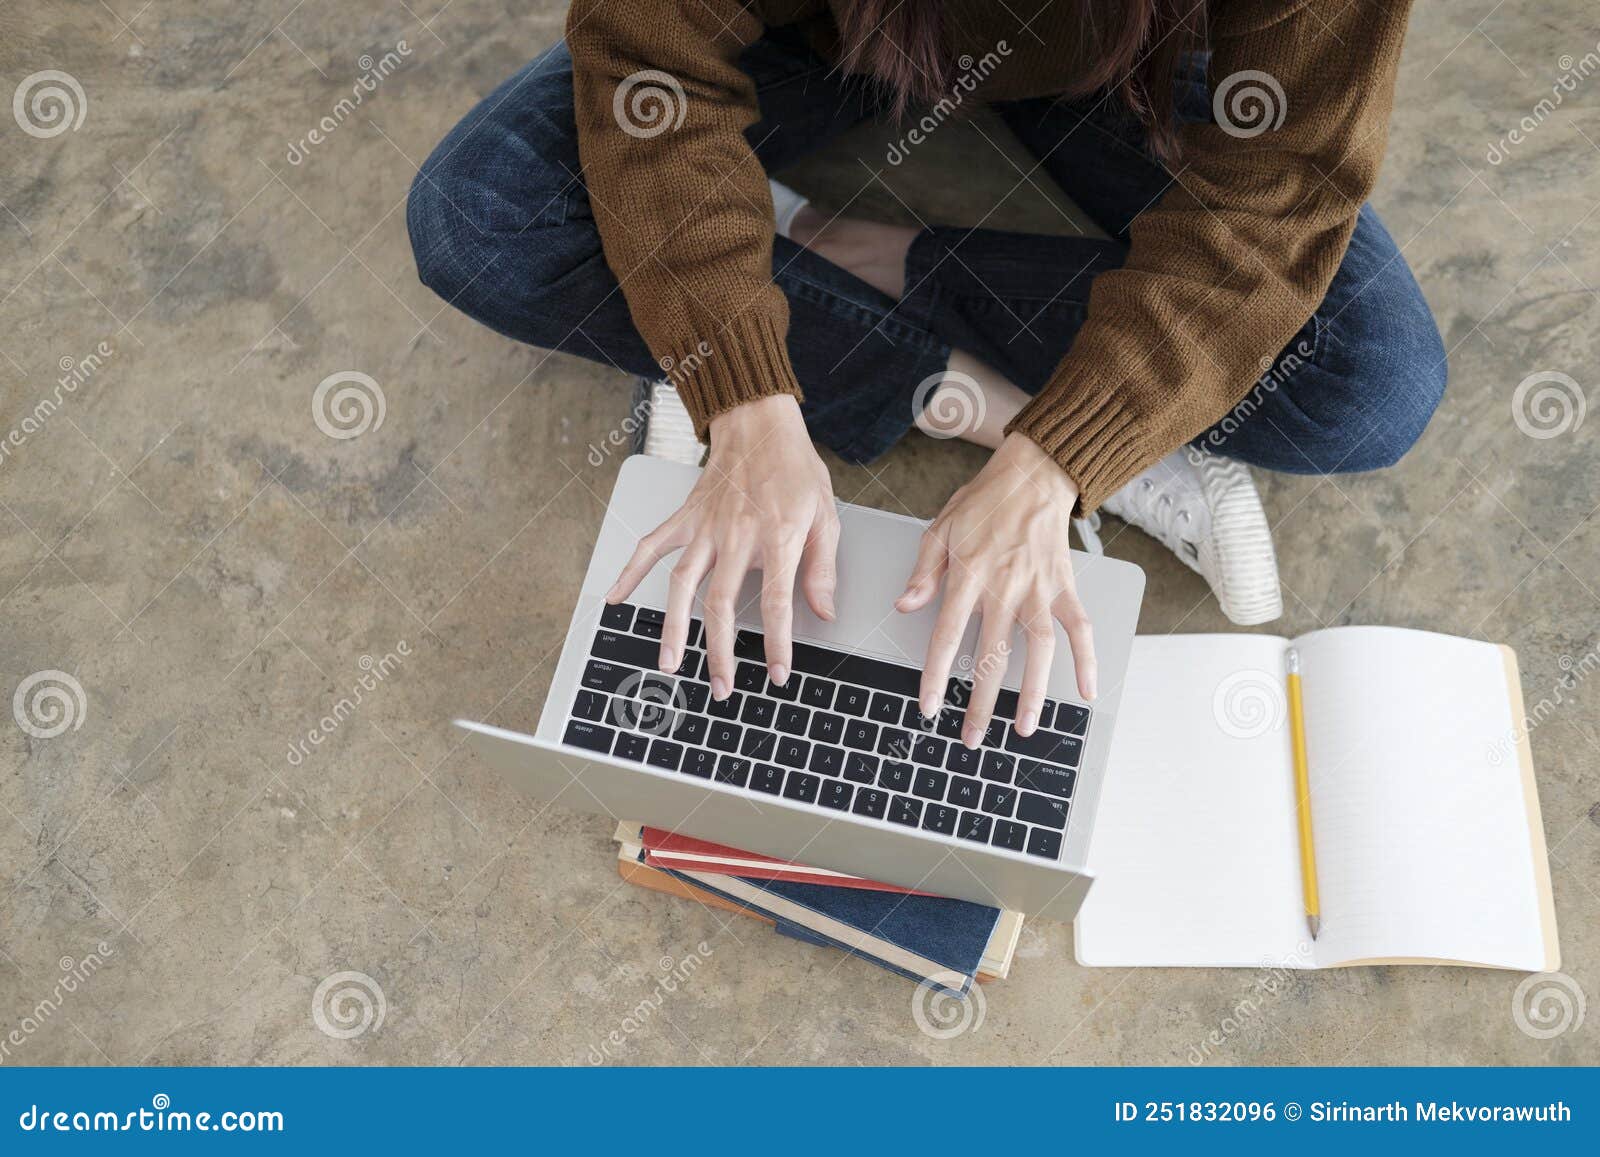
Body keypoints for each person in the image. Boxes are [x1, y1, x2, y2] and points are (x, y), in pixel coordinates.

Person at [407, 0, 1445, 745]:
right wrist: (748, 401)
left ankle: (857, 267)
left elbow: (1279, 191)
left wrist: (1058, 460)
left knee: (1367, 385)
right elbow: (655, 61)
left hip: (1129, 51)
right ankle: (926, 373)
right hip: (822, 31)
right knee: (484, 220)